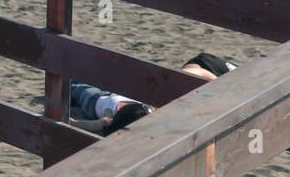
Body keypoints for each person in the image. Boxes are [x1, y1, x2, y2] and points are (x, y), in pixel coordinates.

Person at [68, 52, 238, 136]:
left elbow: (95, 124)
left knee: (80, 89)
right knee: (80, 89)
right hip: (114, 103)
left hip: (111, 103)